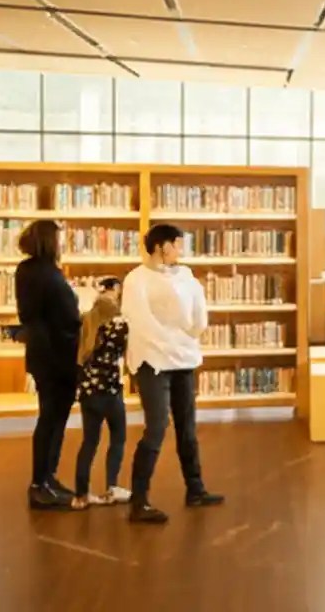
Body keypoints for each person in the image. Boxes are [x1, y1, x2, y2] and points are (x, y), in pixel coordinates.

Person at [123, 224, 224, 524]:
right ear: (161, 246)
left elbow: (198, 315)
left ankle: (195, 489)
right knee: (156, 428)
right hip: (152, 361)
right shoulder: (136, 280)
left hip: (184, 359)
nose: (181, 251)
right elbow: (141, 322)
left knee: (187, 427)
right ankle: (138, 501)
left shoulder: (186, 275)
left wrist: (186, 338)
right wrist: (175, 339)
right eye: (177, 245)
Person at [15, 219, 82, 510]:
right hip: (58, 355)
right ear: (49, 241)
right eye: (59, 238)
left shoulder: (25, 270)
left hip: (41, 353)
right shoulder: (50, 275)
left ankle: (46, 479)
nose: (62, 244)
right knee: (52, 420)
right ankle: (41, 483)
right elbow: (67, 316)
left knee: (50, 418)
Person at [71, 294, 131, 509]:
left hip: (88, 394)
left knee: (89, 442)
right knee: (118, 438)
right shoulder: (116, 331)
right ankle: (112, 487)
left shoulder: (85, 328)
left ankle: (81, 495)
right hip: (110, 393)